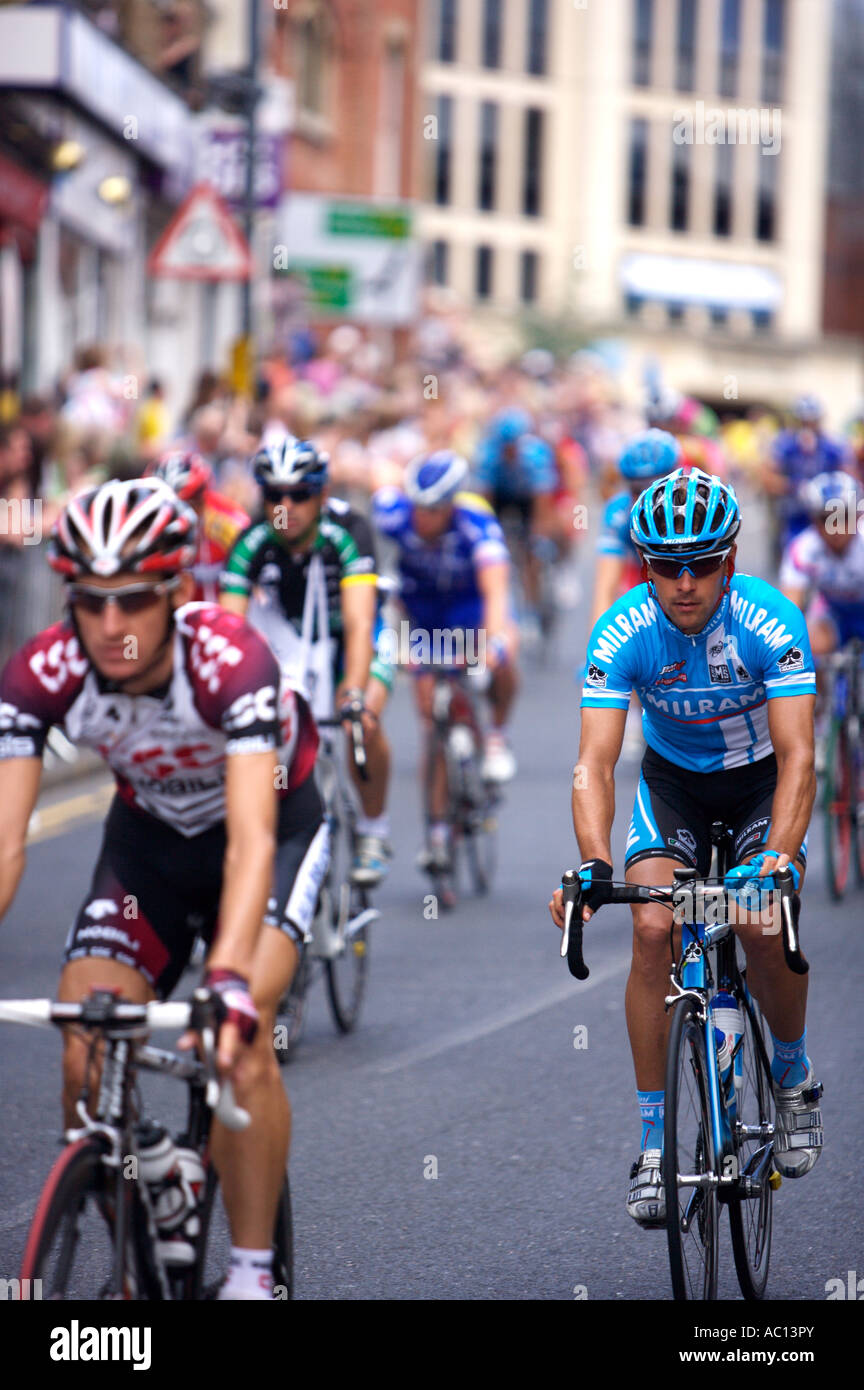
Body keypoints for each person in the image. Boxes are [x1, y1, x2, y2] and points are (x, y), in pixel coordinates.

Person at [0, 478, 323, 1299]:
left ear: (176, 592)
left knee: (240, 1041)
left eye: (135, 601)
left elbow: (250, 840)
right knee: (85, 1039)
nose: (111, 626)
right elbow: (6, 844)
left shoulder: (231, 662)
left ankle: (252, 1274)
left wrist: (226, 981)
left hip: (270, 833)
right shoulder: (41, 672)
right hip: (148, 848)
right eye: (91, 601)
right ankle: (152, 1189)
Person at [549, 467, 823, 1225]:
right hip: (672, 785)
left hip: (759, 783)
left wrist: (779, 857)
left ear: (729, 562)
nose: (684, 581)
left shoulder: (771, 622)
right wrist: (593, 866)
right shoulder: (622, 630)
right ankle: (652, 1145)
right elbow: (595, 762)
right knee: (650, 927)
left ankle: (794, 1079)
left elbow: (801, 756)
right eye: (666, 565)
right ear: (645, 568)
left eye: (702, 563)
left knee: (761, 925)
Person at [220, 438, 394, 886]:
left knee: (361, 720)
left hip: (359, 637)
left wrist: (353, 693)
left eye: (299, 494)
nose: (285, 505)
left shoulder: (349, 530)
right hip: (297, 642)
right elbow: (225, 631)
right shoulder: (252, 539)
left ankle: (374, 830)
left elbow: (359, 625)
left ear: (320, 493)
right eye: (274, 494)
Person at [372, 451, 518, 874]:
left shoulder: (477, 525)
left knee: (505, 654)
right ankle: (437, 834)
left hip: (468, 616)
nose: (424, 517)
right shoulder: (393, 516)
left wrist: (494, 644)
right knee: (431, 723)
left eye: (433, 510)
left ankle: (495, 736)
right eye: (418, 507)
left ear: (452, 504)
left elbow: (496, 595)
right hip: (421, 618)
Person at [473, 407, 558, 630]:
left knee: (532, 552)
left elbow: (543, 502)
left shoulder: (536, 455)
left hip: (528, 497)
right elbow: (485, 503)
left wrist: (539, 534)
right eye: (505, 447)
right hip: (501, 495)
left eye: (513, 446)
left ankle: (532, 607)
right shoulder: (488, 455)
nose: (509, 451)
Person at [590, 429, 683, 627]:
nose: (647, 498)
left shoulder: (695, 508)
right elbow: (605, 590)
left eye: (657, 486)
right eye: (637, 489)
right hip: (642, 577)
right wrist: (596, 651)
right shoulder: (619, 511)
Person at [147, 449, 250, 603]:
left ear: (202, 497)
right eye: (165, 508)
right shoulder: (146, 527)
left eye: (187, 505)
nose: (176, 517)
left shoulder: (228, 521)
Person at [764, 395, 848, 552]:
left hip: (825, 515)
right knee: (793, 553)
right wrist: (794, 486)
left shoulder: (832, 446)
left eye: (812, 422)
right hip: (794, 515)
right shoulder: (784, 444)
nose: (808, 427)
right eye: (803, 422)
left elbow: (848, 477)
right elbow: (768, 479)